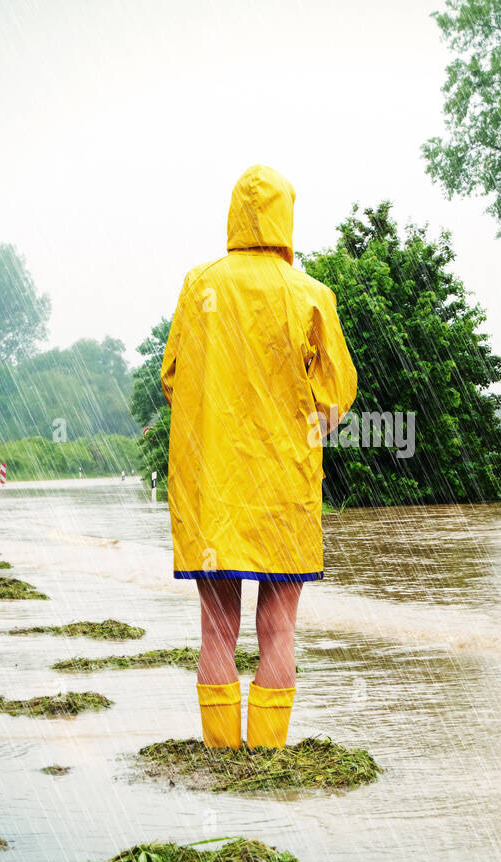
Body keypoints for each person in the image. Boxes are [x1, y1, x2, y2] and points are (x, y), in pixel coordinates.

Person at [161, 164, 356, 750]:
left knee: (217, 630)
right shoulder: (311, 295)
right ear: (286, 220)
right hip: (284, 492)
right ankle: (269, 756)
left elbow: (171, 379)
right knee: (279, 629)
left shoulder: (200, 286)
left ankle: (221, 760)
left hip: (212, 489)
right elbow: (337, 395)